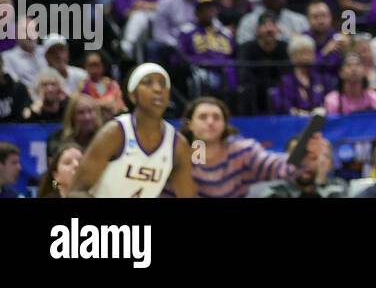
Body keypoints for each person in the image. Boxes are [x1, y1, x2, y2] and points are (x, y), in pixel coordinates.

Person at [69, 63, 197, 197]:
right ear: (132, 96)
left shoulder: (178, 145)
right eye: (147, 83)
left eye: (163, 83)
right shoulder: (114, 132)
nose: (158, 89)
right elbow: (75, 191)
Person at [183, 95, 329, 198]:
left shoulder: (242, 151)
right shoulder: (178, 152)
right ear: (189, 124)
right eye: (203, 117)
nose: (210, 122)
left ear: (225, 124)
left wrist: (302, 157)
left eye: (216, 117)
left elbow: (276, 166)